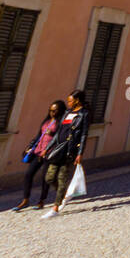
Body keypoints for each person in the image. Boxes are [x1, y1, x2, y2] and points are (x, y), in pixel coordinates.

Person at [41, 90, 90, 218]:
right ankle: (62, 195)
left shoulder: (84, 114)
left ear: (77, 100)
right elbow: (58, 132)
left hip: (70, 150)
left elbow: (84, 134)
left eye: (70, 100)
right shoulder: (67, 113)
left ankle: (55, 208)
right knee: (50, 178)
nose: (68, 103)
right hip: (58, 149)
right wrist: (48, 147)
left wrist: (80, 153)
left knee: (62, 178)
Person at [13, 99, 65, 211]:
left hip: (49, 153)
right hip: (38, 151)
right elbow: (38, 136)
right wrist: (30, 147)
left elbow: (61, 138)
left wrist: (53, 134)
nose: (52, 113)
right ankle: (25, 200)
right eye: (51, 110)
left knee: (45, 178)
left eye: (55, 110)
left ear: (60, 111)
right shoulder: (46, 121)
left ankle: (42, 201)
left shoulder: (61, 122)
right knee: (28, 174)